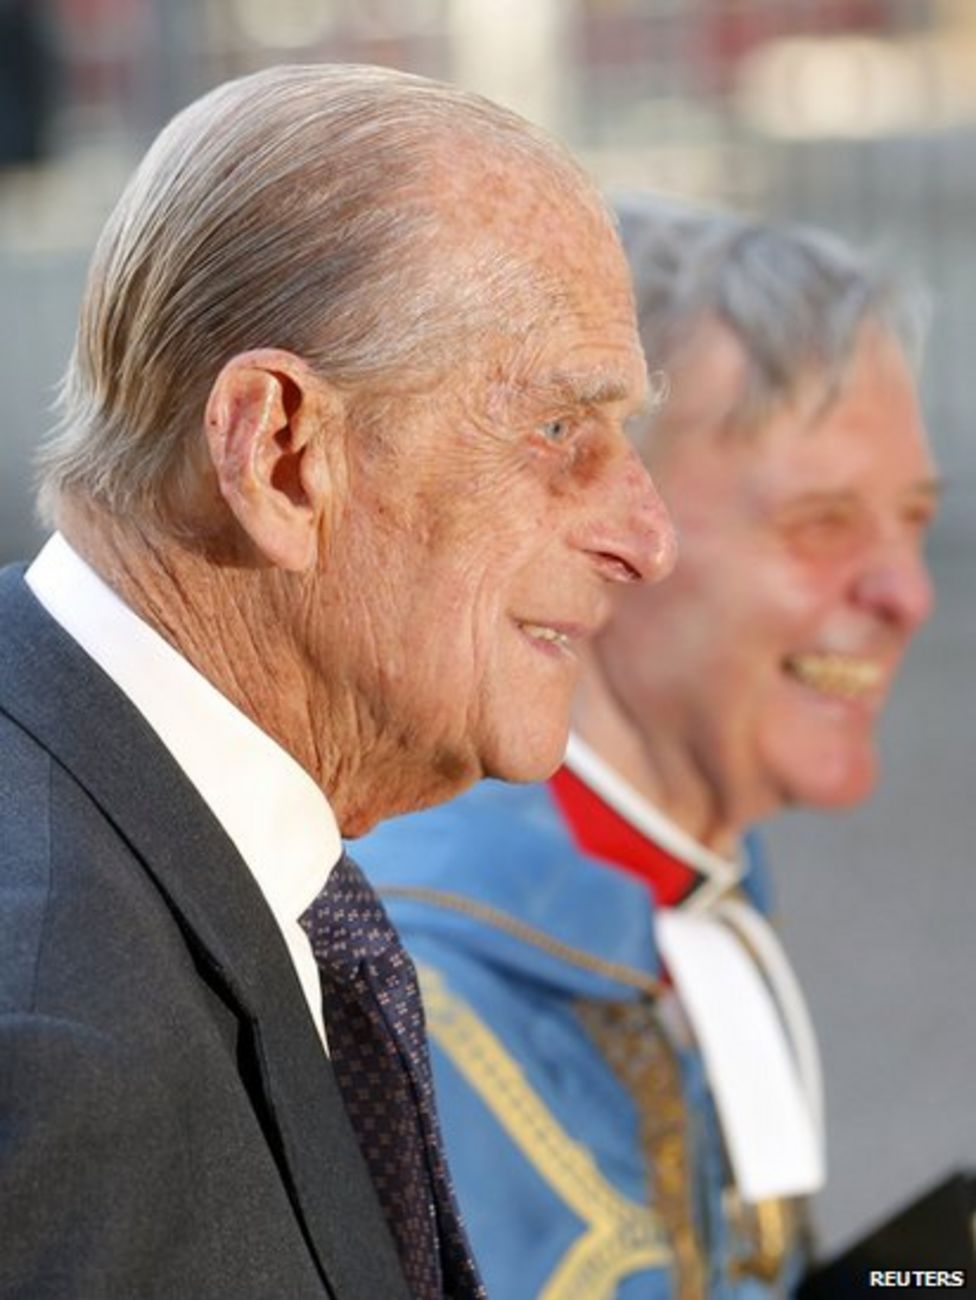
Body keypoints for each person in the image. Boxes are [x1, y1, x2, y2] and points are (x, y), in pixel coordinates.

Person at [0, 67, 675, 1299]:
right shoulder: (62, 1054)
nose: (645, 535)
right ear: (277, 453)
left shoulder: (105, 812)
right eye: (559, 430)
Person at [355, 197, 940, 1298]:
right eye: (819, 524)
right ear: (609, 536)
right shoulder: (427, 997)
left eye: (912, 517)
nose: (904, 591)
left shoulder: (684, 866)